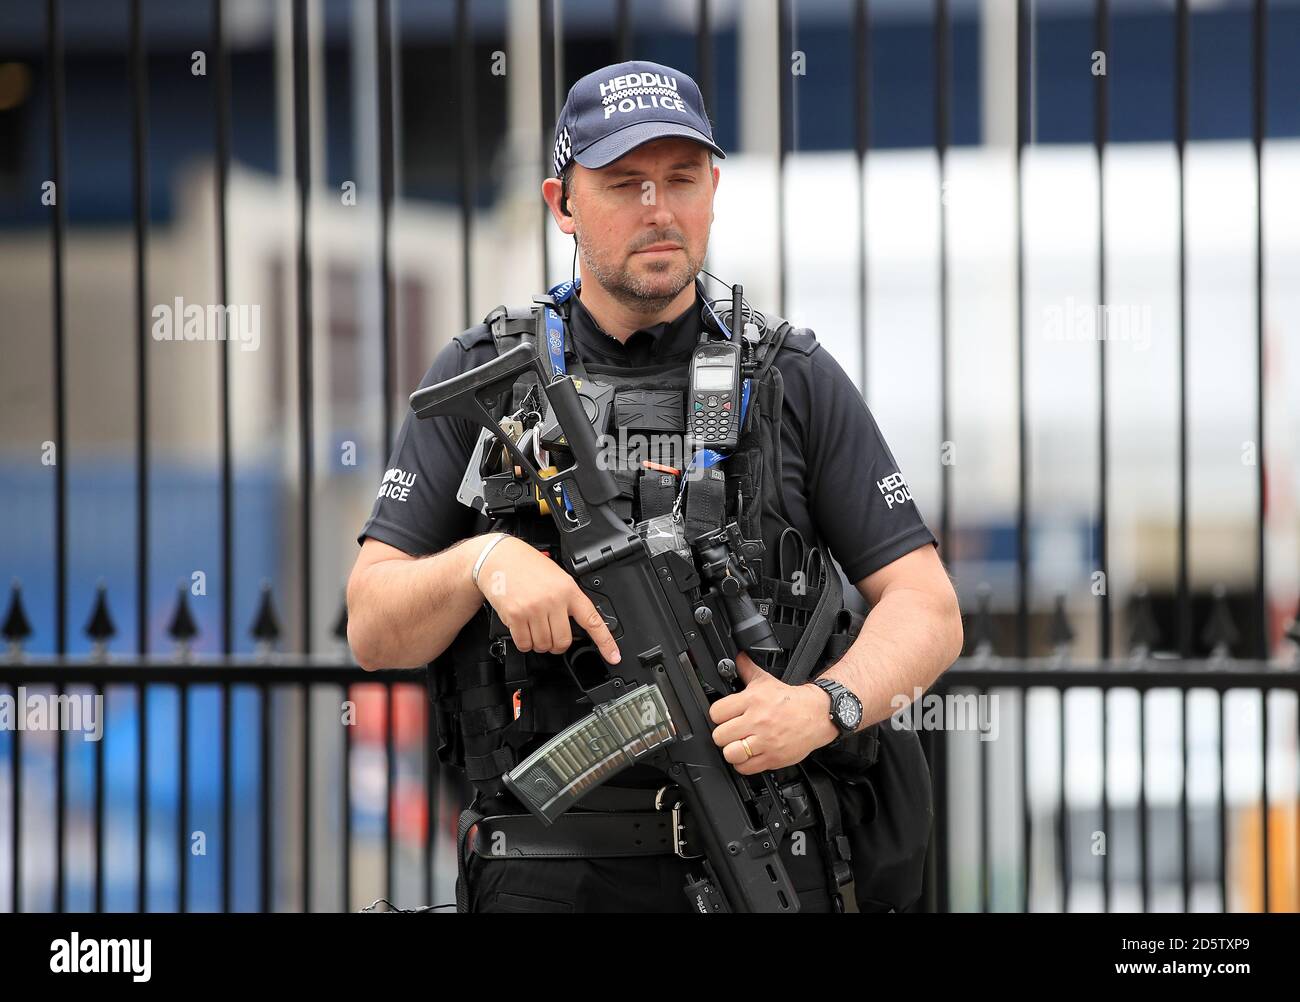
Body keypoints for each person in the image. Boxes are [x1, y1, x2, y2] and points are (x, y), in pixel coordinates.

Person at [346, 59, 962, 913]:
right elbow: (374, 627)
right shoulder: (485, 374)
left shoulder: (791, 377)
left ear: (713, 188)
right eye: (626, 182)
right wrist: (480, 562)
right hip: (546, 875)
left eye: (681, 179)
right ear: (561, 202)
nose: (659, 208)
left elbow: (928, 606)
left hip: (758, 857)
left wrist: (825, 707)